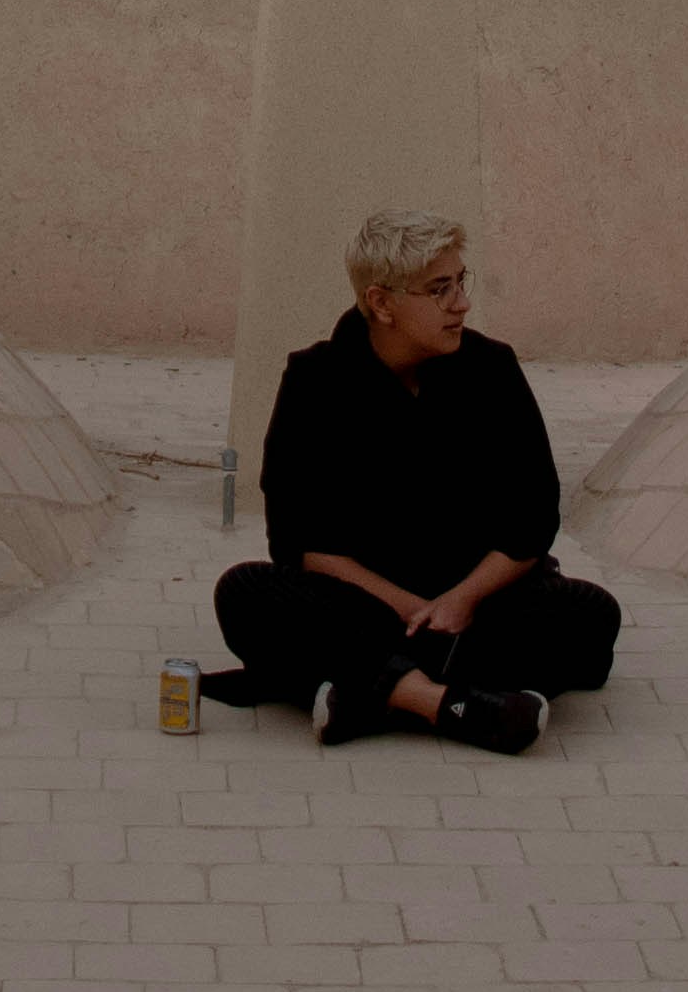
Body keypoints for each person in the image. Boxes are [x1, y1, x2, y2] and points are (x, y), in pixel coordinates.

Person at [205, 213, 622, 752]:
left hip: (476, 608)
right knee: (244, 593)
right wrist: (406, 607)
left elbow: (533, 518)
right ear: (381, 304)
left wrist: (460, 601)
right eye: (439, 289)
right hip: (368, 609)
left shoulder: (492, 369)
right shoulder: (315, 381)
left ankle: (367, 693)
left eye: (460, 282)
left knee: (591, 616)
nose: (461, 303)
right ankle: (451, 705)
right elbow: (299, 541)